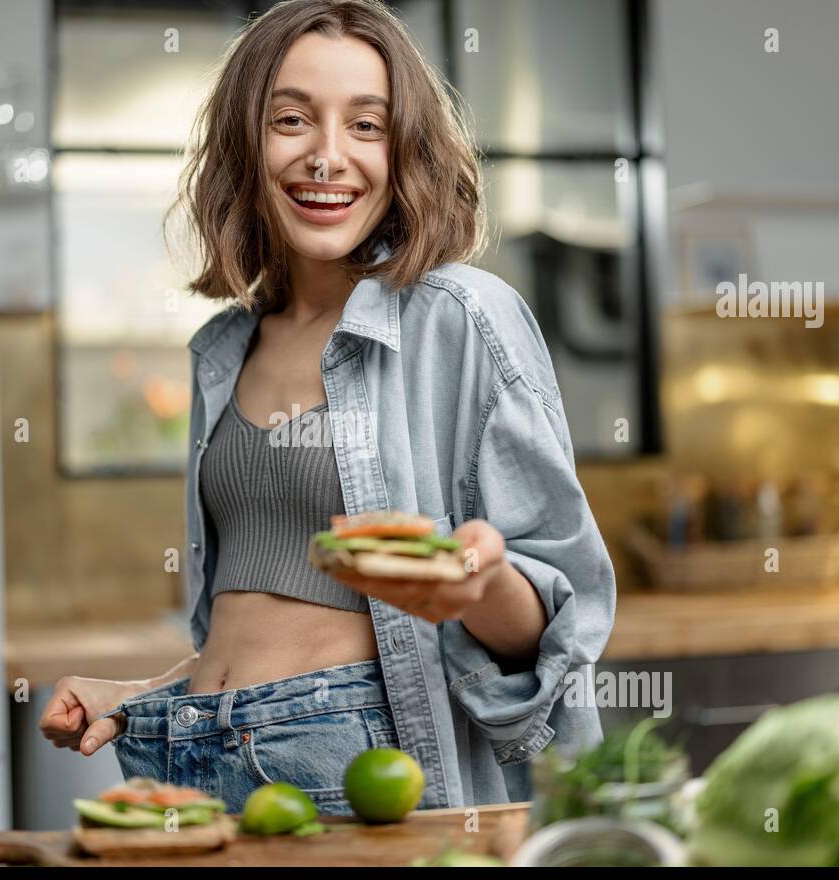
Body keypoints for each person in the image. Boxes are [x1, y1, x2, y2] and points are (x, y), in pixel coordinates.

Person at [40, 0, 616, 813]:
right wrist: (138, 695)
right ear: (248, 142)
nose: (327, 156)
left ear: (404, 148)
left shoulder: (461, 318)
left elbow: (559, 627)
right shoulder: (224, 347)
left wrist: (476, 582)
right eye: (291, 120)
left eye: (367, 126)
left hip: (355, 766)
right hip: (191, 758)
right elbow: (261, 622)